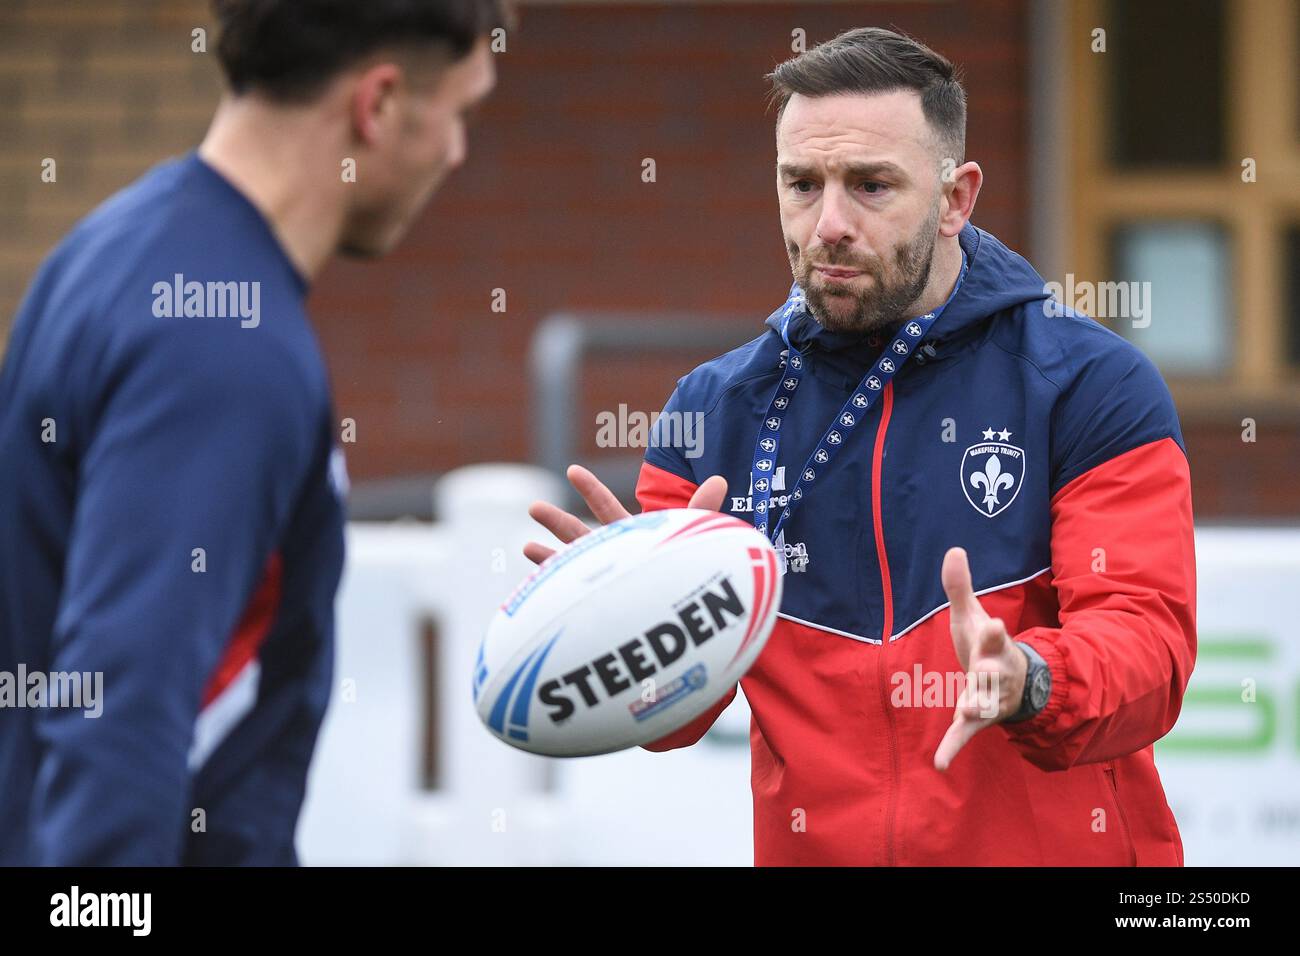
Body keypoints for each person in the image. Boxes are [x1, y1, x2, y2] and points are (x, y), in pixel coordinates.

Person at [526, 27, 1196, 866]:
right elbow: (675, 718)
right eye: (801, 185)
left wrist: (1031, 678)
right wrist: (625, 626)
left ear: (957, 198)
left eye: (871, 186)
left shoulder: (1091, 384)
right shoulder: (714, 411)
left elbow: (1148, 646)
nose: (829, 224)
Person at [0, 0, 507, 865]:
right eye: (459, 112)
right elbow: (121, 720)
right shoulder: (224, 347)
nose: (457, 152)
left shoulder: (106, 248)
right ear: (376, 104)